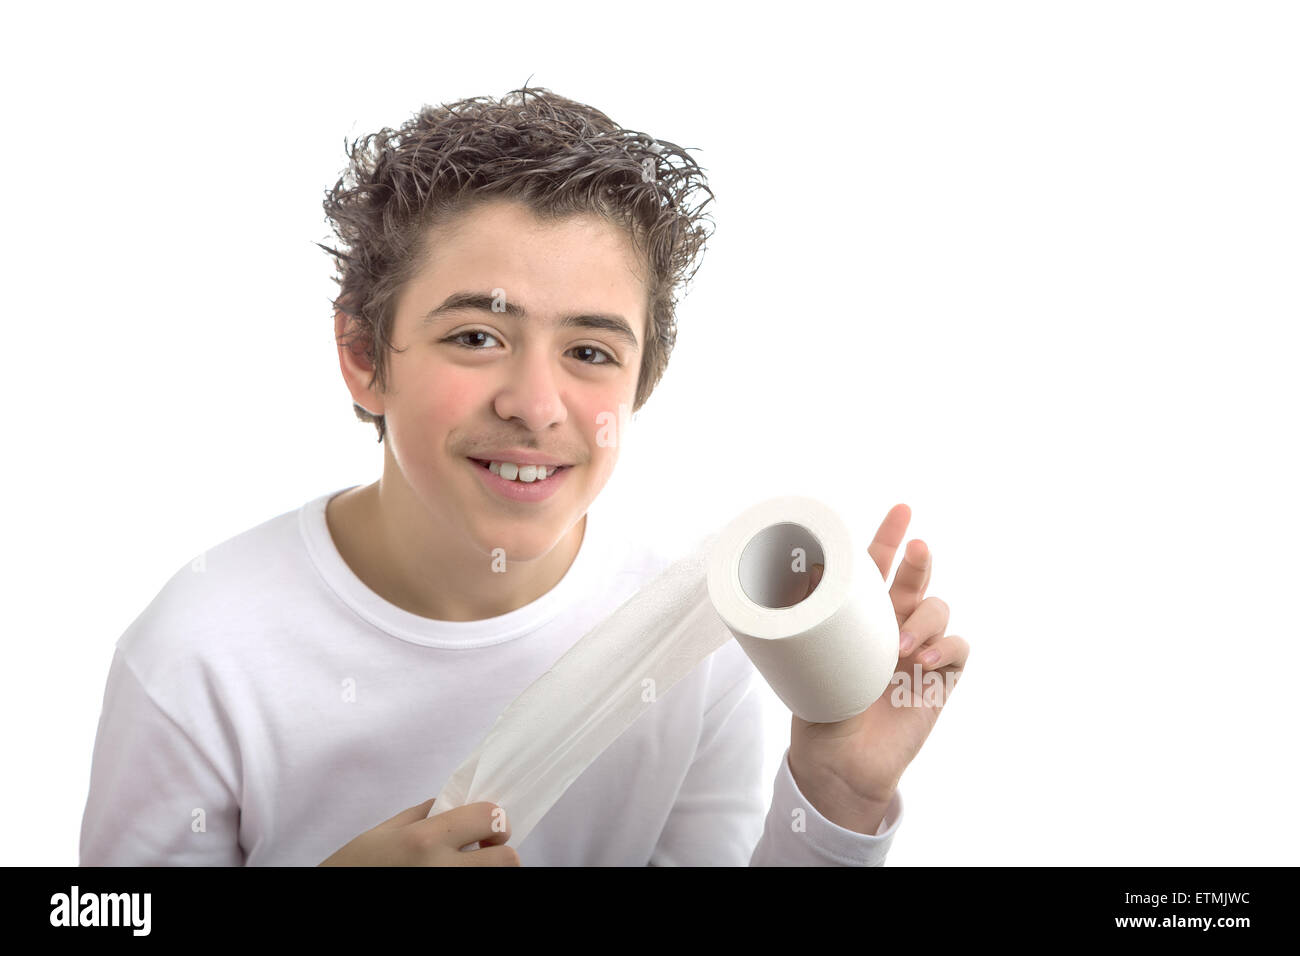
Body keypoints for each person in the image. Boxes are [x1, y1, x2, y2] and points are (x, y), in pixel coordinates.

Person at [80, 84, 970, 866]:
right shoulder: (199, 654)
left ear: (641, 381)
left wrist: (838, 801)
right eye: (476, 336)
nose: (536, 405)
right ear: (362, 354)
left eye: (589, 350)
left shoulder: (696, 649)